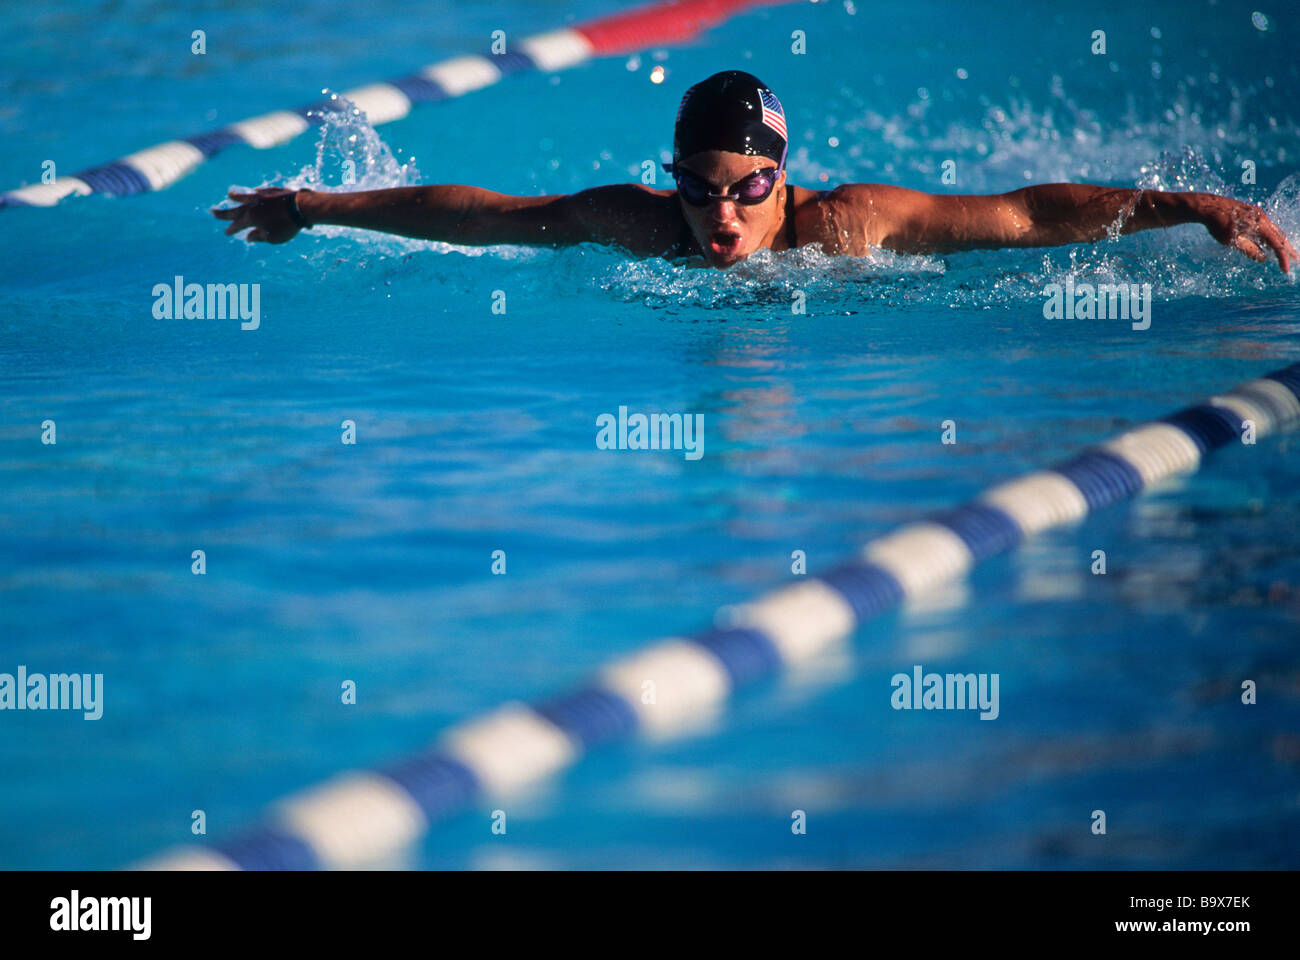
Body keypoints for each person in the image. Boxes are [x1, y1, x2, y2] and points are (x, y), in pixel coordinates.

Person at [213, 70, 1295, 274]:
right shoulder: (638, 226)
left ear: (786, 179)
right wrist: (312, 207)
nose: (718, 217)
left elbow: (1018, 216)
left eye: (745, 190)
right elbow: (486, 217)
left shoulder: (846, 228)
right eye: (697, 186)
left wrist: (1183, 206)